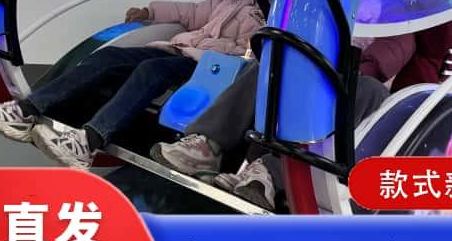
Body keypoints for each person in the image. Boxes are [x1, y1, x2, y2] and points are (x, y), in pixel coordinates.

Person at [0, 0, 271, 169]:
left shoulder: (273, 20)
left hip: (211, 65)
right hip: (177, 49)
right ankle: (25, 109)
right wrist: (149, 12)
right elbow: (189, 13)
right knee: (110, 57)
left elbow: (255, 56)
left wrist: (216, 47)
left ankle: (89, 140)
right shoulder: (230, 2)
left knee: (150, 70)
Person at [150, 33, 417, 210]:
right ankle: (207, 147)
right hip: (313, 71)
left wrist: (328, 70)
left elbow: (380, 62)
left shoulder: (400, 26)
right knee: (271, 62)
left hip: (359, 88)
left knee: (365, 88)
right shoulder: (340, 4)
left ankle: (271, 172)